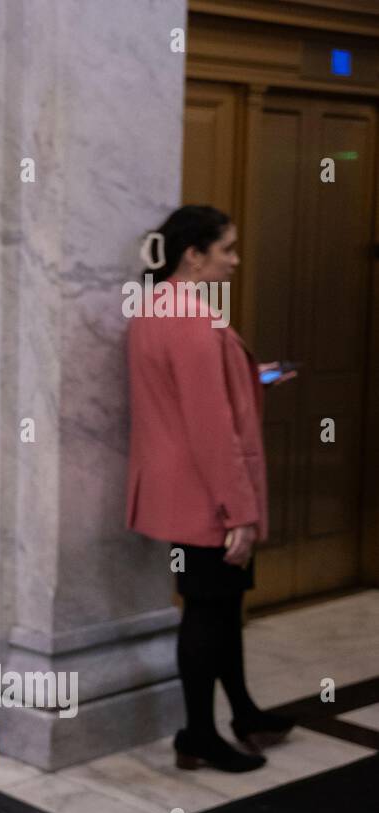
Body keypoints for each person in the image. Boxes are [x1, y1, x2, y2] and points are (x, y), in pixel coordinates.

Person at [125, 204, 297, 774]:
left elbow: (192, 399)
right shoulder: (195, 317)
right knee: (207, 610)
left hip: (180, 488)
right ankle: (197, 734)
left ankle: (242, 712)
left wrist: (253, 374)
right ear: (193, 255)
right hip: (208, 495)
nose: (235, 260)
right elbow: (209, 426)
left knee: (221, 607)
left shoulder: (155, 307)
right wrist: (239, 512)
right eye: (227, 248)